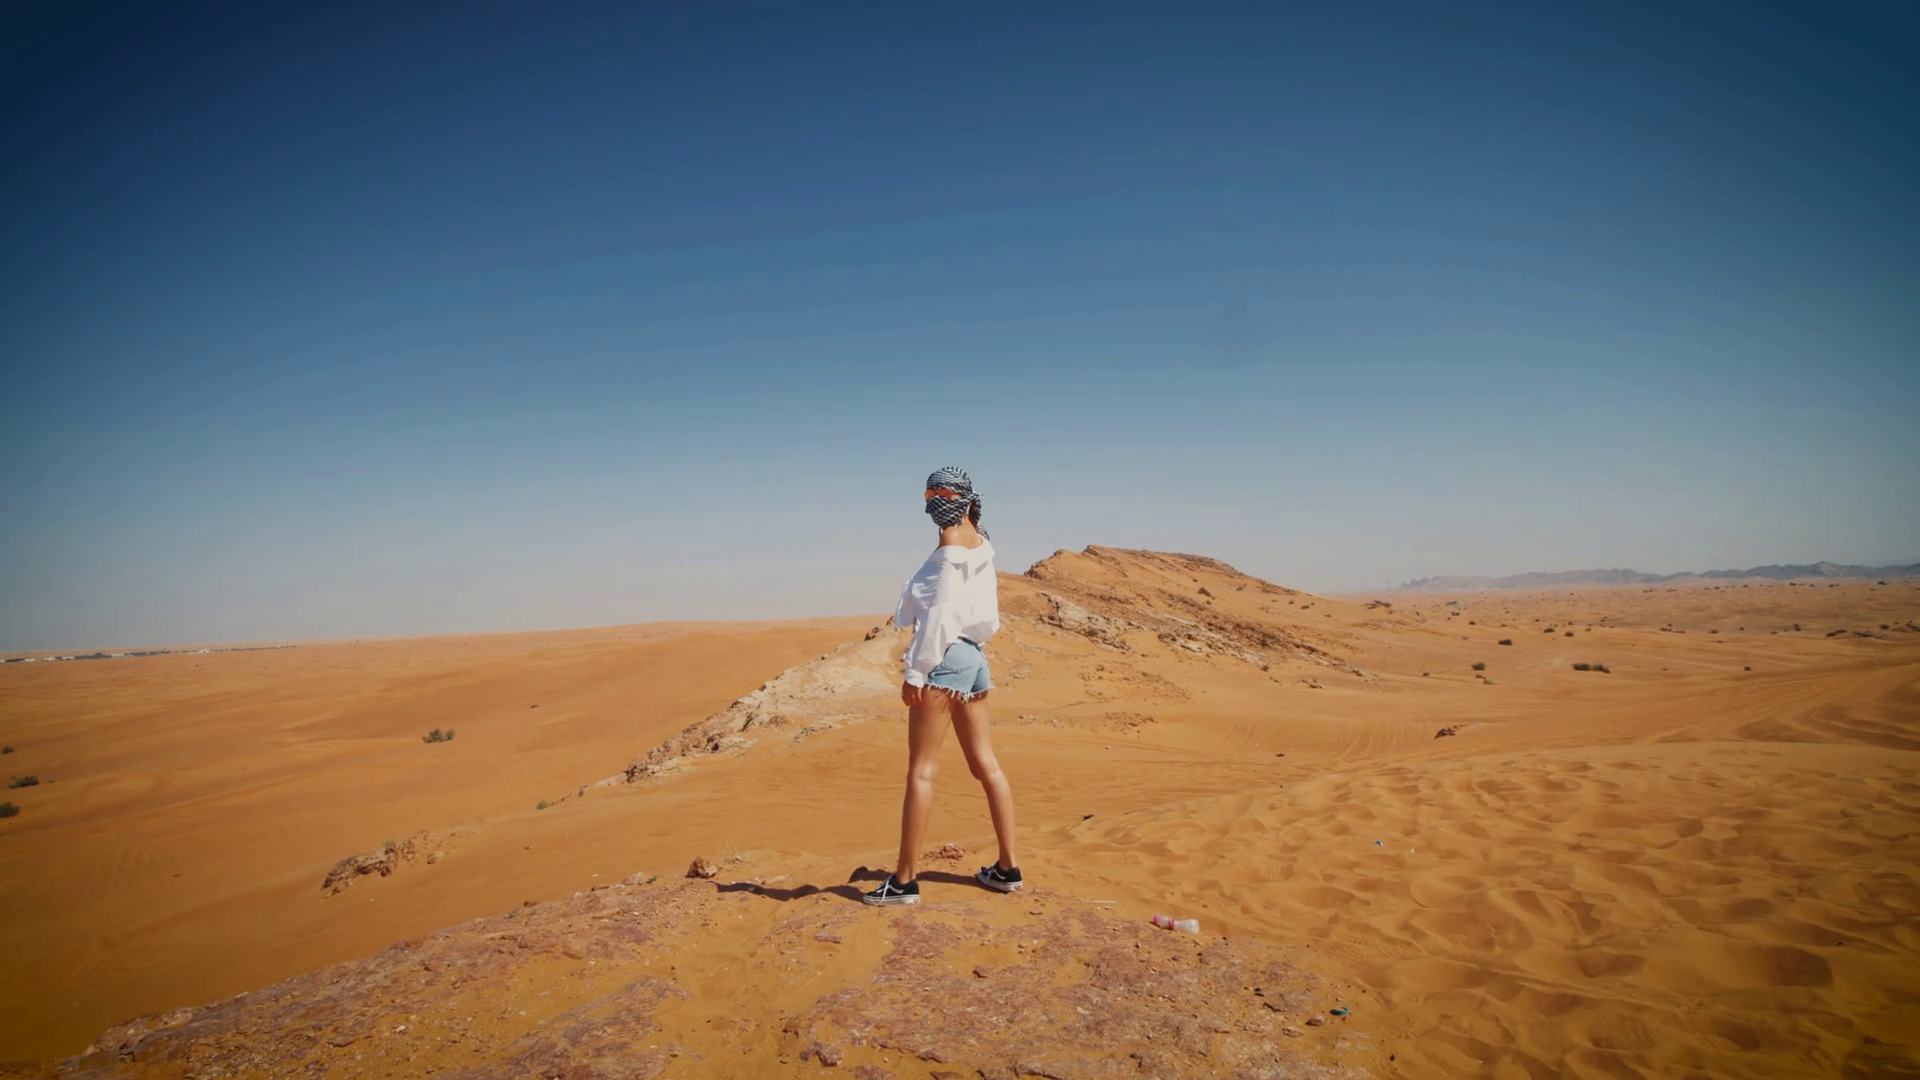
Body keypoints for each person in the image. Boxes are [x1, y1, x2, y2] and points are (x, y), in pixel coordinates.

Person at [864, 467, 1022, 905]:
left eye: (943, 494)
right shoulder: (980, 544)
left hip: (945, 659)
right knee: (986, 764)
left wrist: (916, 672)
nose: (934, 500)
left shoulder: (951, 546)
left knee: (922, 771)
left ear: (963, 498)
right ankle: (1007, 868)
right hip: (973, 658)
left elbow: (940, 617)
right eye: (929, 493)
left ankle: (904, 881)